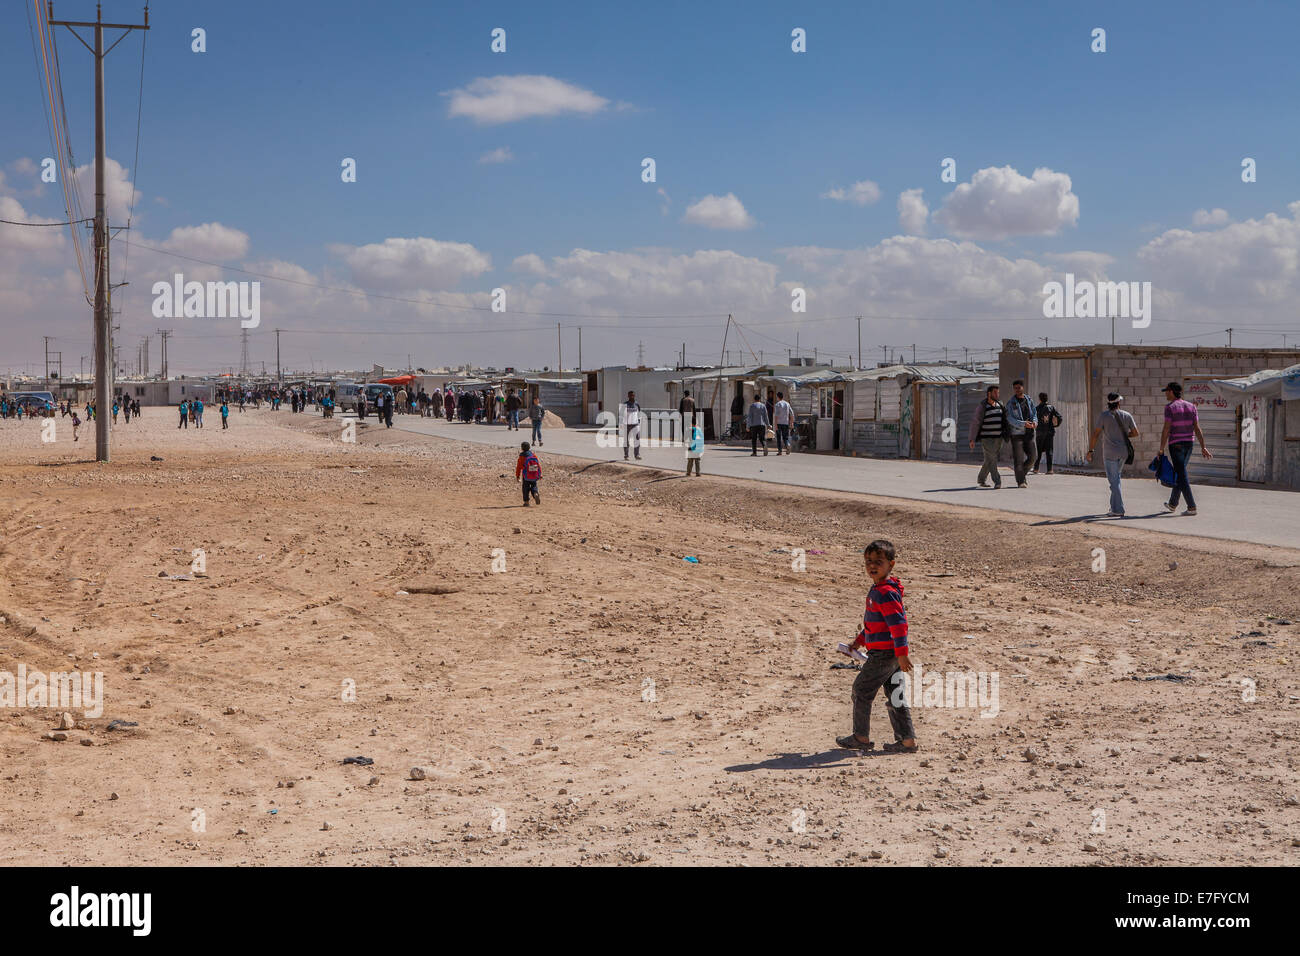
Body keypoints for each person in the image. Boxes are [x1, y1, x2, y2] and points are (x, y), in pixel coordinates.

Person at [836, 539, 917, 753]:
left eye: (878, 561)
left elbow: (899, 626)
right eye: (868, 561)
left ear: (891, 564)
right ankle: (906, 741)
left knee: (861, 690)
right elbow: (874, 625)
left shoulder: (885, 592)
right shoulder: (878, 590)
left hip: (885, 655)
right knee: (895, 695)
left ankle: (860, 737)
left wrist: (902, 654)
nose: (872, 565)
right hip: (887, 653)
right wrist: (858, 642)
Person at [1159, 381, 1211, 517]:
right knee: (1180, 472)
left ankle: (1191, 506)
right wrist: (1203, 446)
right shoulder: (1191, 406)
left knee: (1181, 475)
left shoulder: (1169, 407)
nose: (1165, 394)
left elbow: (1166, 428)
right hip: (1189, 444)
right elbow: (1197, 428)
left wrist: (1161, 448)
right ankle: (1172, 503)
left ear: (1171, 392)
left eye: (1166, 391)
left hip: (1175, 444)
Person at [1087, 392, 1139, 517]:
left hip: (1110, 453)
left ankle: (1118, 509)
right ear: (1119, 402)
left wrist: (1090, 450)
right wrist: (1125, 435)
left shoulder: (1104, 416)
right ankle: (1113, 507)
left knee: (1114, 482)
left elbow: (1096, 434)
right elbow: (1135, 433)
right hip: (1123, 453)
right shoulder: (1127, 415)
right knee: (1116, 480)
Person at [967, 384, 1006, 488]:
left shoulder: (1000, 405)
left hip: (999, 438)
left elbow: (1005, 419)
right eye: (995, 392)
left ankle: (981, 479)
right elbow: (975, 422)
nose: (997, 394)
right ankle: (997, 481)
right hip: (986, 438)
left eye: (998, 392)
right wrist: (972, 439)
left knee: (989, 459)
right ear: (989, 393)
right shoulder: (982, 406)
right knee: (992, 458)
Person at [1005, 379, 1037, 488]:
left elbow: (1034, 413)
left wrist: (1035, 422)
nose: (1017, 390)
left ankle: (1021, 474)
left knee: (1033, 457)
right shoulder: (1011, 403)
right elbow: (1009, 418)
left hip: (1029, 433)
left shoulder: (1029, 400)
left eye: (1019, 388)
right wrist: (1023, 424)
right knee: (1018, 459)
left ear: (1023, 388)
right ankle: (1021, 481)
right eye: (1015, 388)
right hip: (1016, 434)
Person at [1031, 391, 1062, 474]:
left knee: (1039, 451)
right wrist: (1055, 425)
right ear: (1047, 399)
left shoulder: (1036, 409)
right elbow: (1059, 417)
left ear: (1040, 399)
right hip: (1049, 432)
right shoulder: (1051, 408)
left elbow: (1032, 419)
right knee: (1049, 451)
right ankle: (1050, 470)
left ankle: (1036, 468)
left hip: (1040, 432)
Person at [516, 440, 542, 506]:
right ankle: (535, 493)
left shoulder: (522, 456)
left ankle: (526, 502)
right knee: (534, 486)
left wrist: (517, 476)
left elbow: (518, 467)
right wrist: (540, 474)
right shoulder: (533, 455)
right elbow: (538, 465)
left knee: (525, 488)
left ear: (522, 448)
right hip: (534, 475)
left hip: (526, 476)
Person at [623, 391, 642, 461]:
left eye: (633, 395)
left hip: (635, 424)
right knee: (626, 440)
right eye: (630, 395)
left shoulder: (637, 404)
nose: (632, 397)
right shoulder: (625, 404)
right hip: (627, 425)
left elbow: (639, 414)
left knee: (637, 439)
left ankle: (637, 455)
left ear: (634, 396)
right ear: (628, 396)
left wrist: (638, 422)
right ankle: (626, 455)